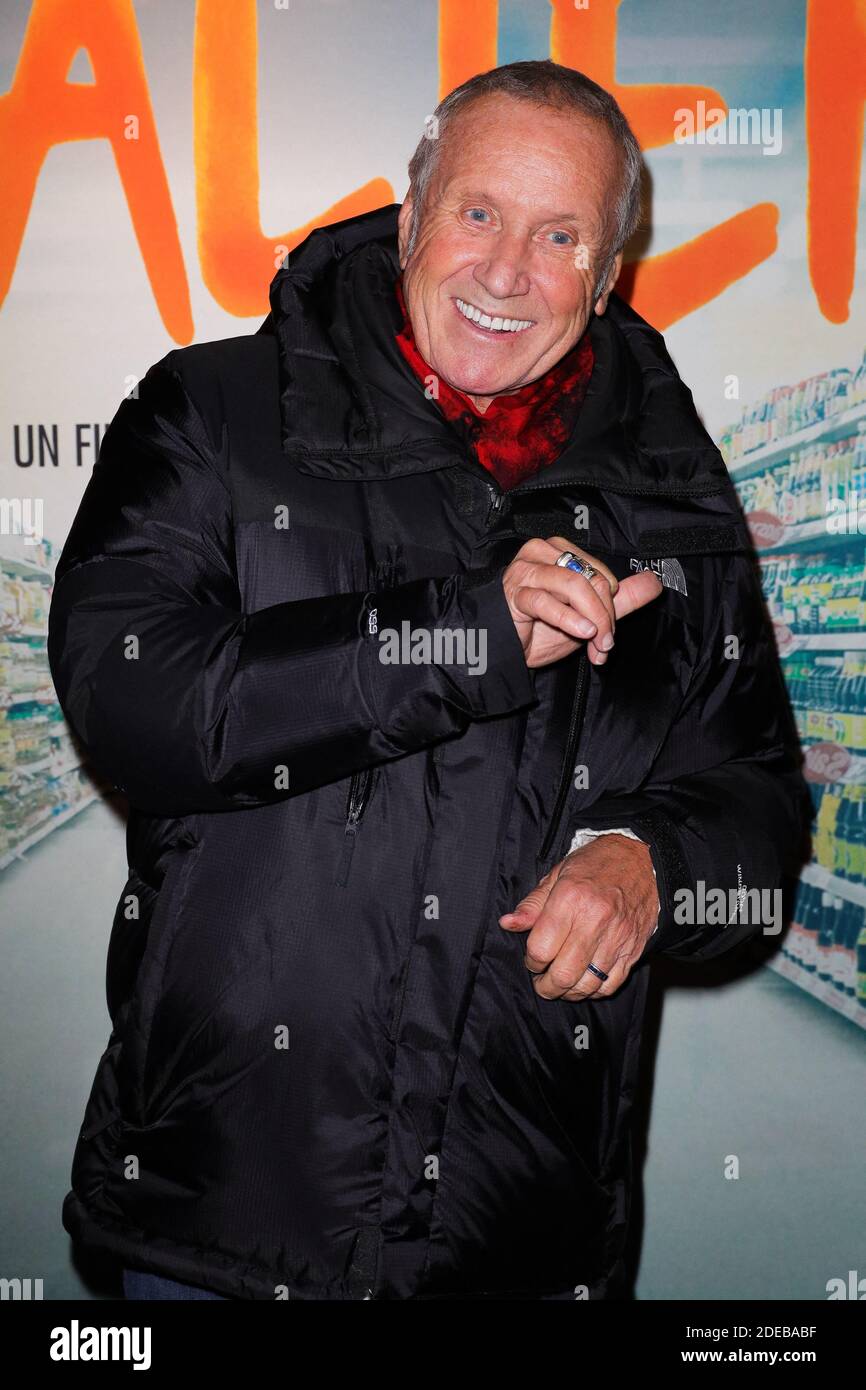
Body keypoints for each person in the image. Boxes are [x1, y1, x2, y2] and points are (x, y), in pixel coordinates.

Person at [47, 59, 809, 1302]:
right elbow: (135, 709)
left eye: (559, 235)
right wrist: (463, 635)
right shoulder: (211, 414)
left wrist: (654, 867)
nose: (507, 271)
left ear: (607, 274)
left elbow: (759, 810)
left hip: (518, 1241)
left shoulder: (673, 497)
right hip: (227, 1228)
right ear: (409, 219)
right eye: (476, 214)